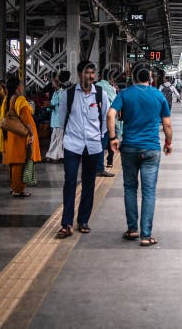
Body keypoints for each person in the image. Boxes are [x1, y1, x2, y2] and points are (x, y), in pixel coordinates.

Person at [107, 62, 172, 247]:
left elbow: (111, 115)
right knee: (149, 192)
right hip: (151, 149)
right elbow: (167, 124)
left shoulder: (125, 94)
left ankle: (132, 229)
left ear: (134, 78)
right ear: (150, 78)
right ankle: (146, 235)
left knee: (129, 188)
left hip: (129, 148)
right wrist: (168, 143)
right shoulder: (158, 95)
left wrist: (113, 138)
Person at [54, 61, 110, 239]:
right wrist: (67, 139)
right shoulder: (68, 94)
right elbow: (62, 119)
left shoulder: (100, 95)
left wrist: (98, 137)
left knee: (89, 183)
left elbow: (105, 120)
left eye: (93, 73)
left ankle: (83, 220)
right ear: (80, 74)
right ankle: (67, 223)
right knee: (70, 181)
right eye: (87, 73)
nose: (91, 76)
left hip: (93, 146)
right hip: (72, 144)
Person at [0, 76, 40, 197]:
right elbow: (26, 119)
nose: (22, 87)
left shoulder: (7, 99)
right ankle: (18, 189)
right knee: (19, 163)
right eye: (20, 84)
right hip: (19, 137)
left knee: (13, 163)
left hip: (9, 135)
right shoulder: (20, 100)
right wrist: (31, 134)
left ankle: (14, 187)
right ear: (17, 87)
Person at [96, 69, 120, 173]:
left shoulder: (96, 86)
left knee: (100, 143)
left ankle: (98, 166)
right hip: (109, 119)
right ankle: (107, 163)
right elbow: (116, 103)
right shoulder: (111, 88)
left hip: (96, 118)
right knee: (109, 140)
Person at [45, 71, 71, 163]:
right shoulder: (57, 93)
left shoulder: (61, 93)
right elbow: (52, 106)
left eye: (54, 82)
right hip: (55, 120)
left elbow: (57, 106)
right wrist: (48, 106)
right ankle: (52, 155)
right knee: (55, 138)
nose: (52, 84)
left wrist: (49, 105)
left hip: (59, 120)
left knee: (58, 139)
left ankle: (58, 156)